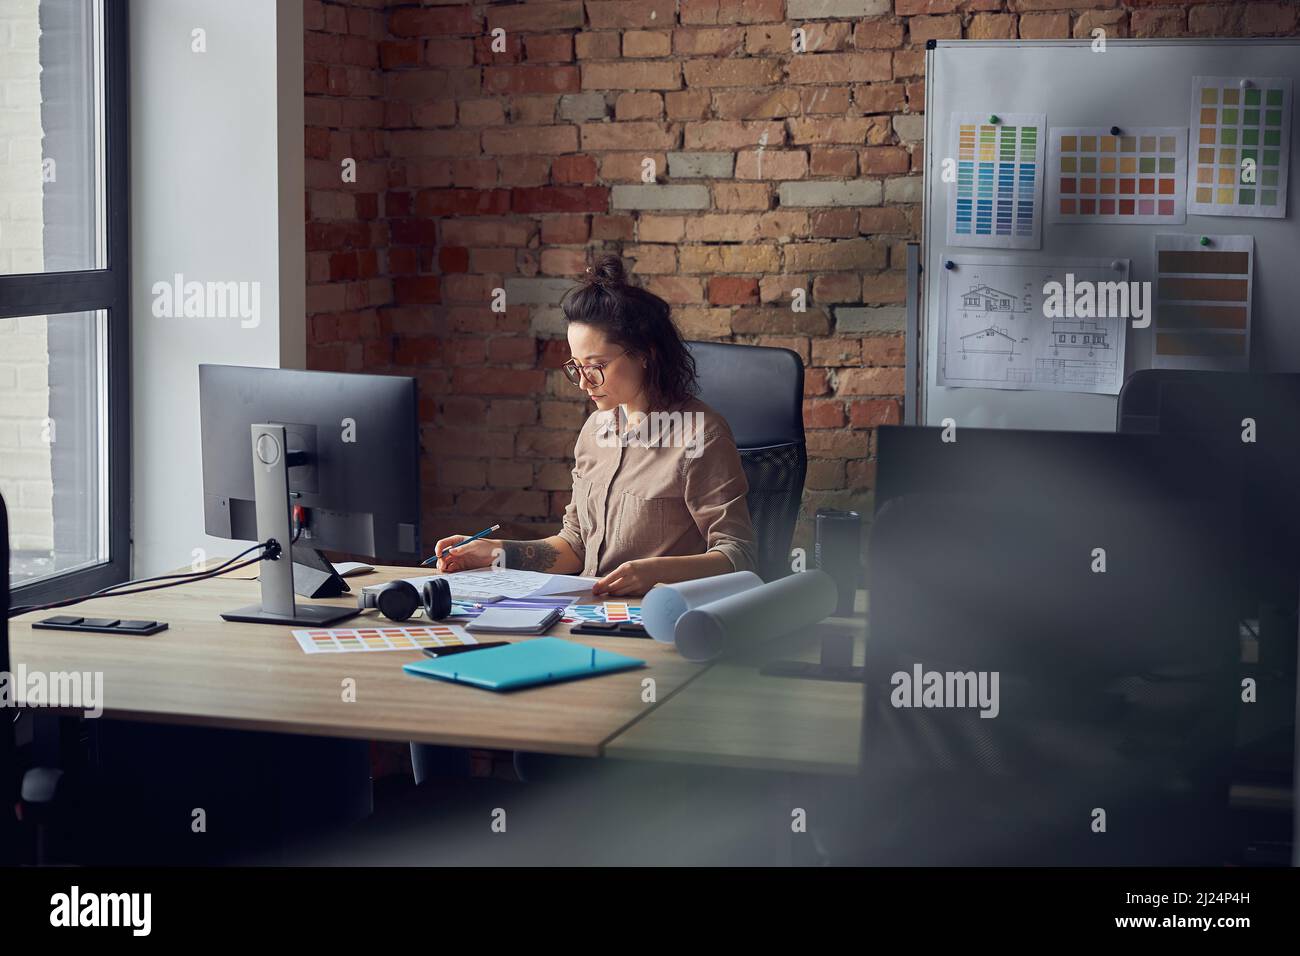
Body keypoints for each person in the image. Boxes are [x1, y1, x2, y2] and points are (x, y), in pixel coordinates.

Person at [433, 254, 758, 596]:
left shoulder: (700, 435)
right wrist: (498, 552)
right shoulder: (595, 430)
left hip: (656, 615)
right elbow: (574, 547)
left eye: (597, 365)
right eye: (576, 366)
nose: (584, 382)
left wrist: (656, 573)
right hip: (585, 609)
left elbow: (739, 556)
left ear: (645, 354)